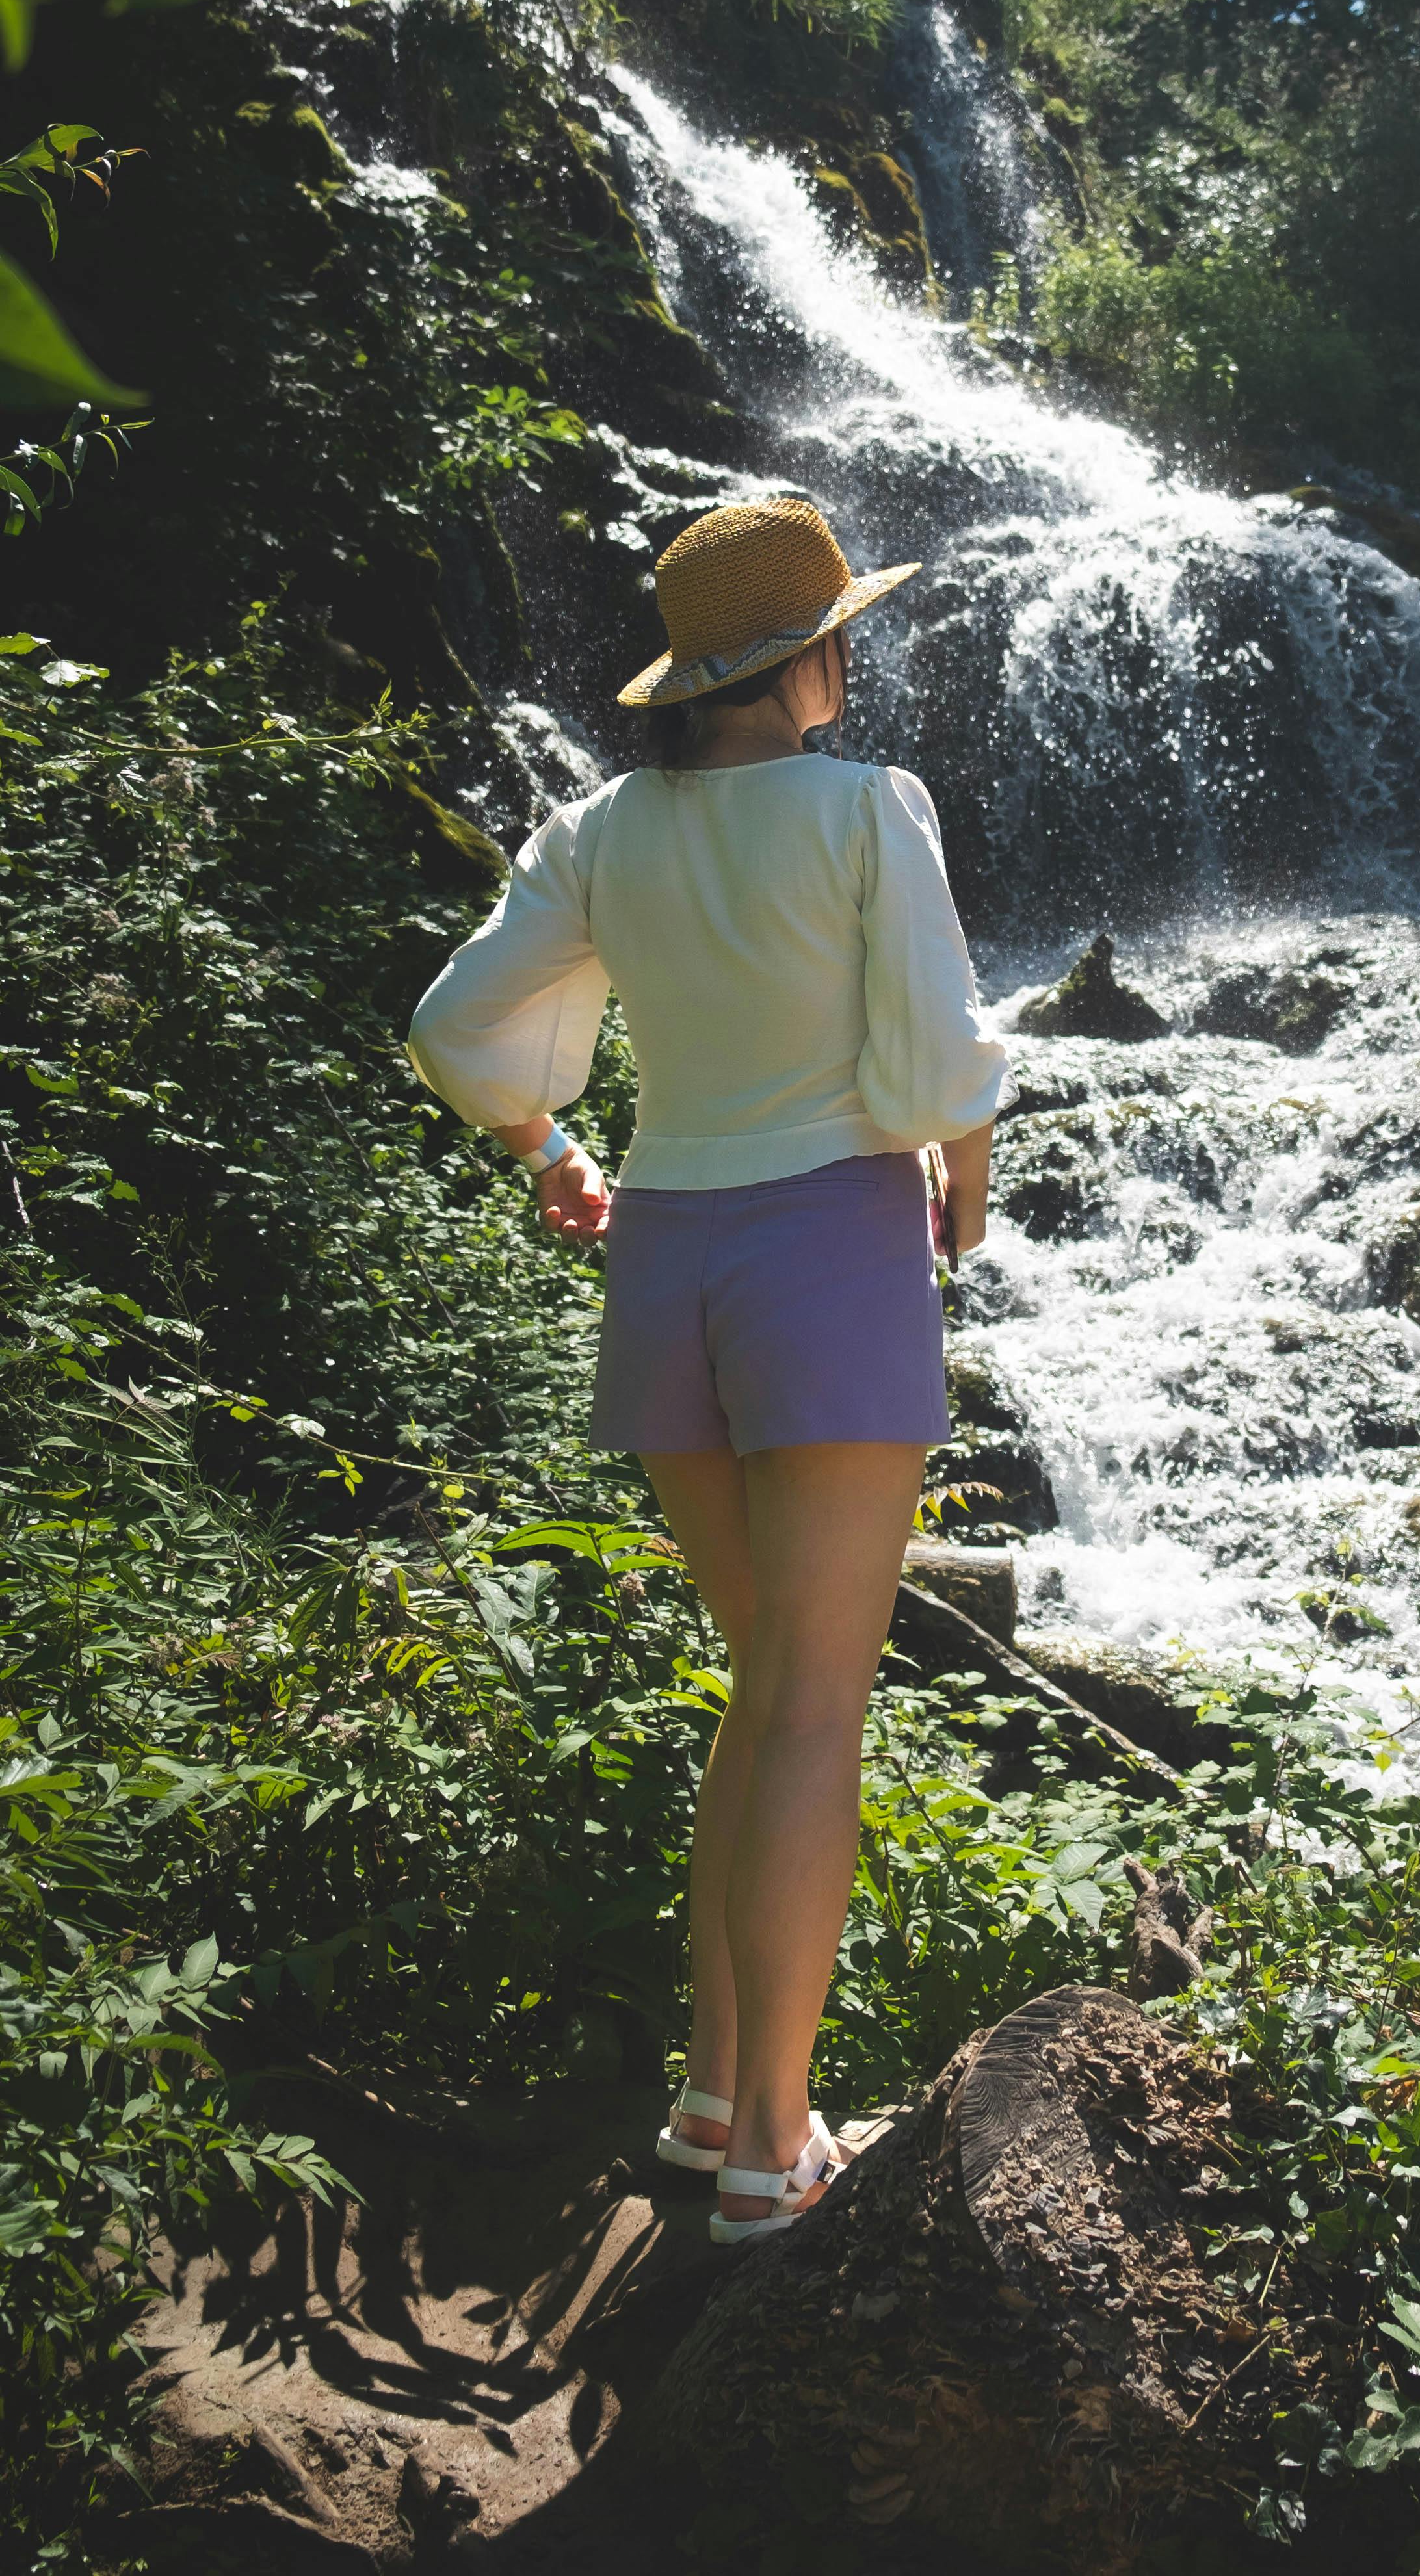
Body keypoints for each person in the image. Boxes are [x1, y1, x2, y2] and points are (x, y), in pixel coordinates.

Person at [406, 495, 1006, 2243]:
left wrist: (545, 1147)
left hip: (667, 1254)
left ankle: (709, 2090)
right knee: (820, 1699)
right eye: (840, 635)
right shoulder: (865, 808)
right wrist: (964, 1170)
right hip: (827, 1251)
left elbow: (455, 1025)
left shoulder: (605, 830)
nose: (852, 658)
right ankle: (772, 2151)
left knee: (767, 1687)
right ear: (800, 663)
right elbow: (931, 1057)